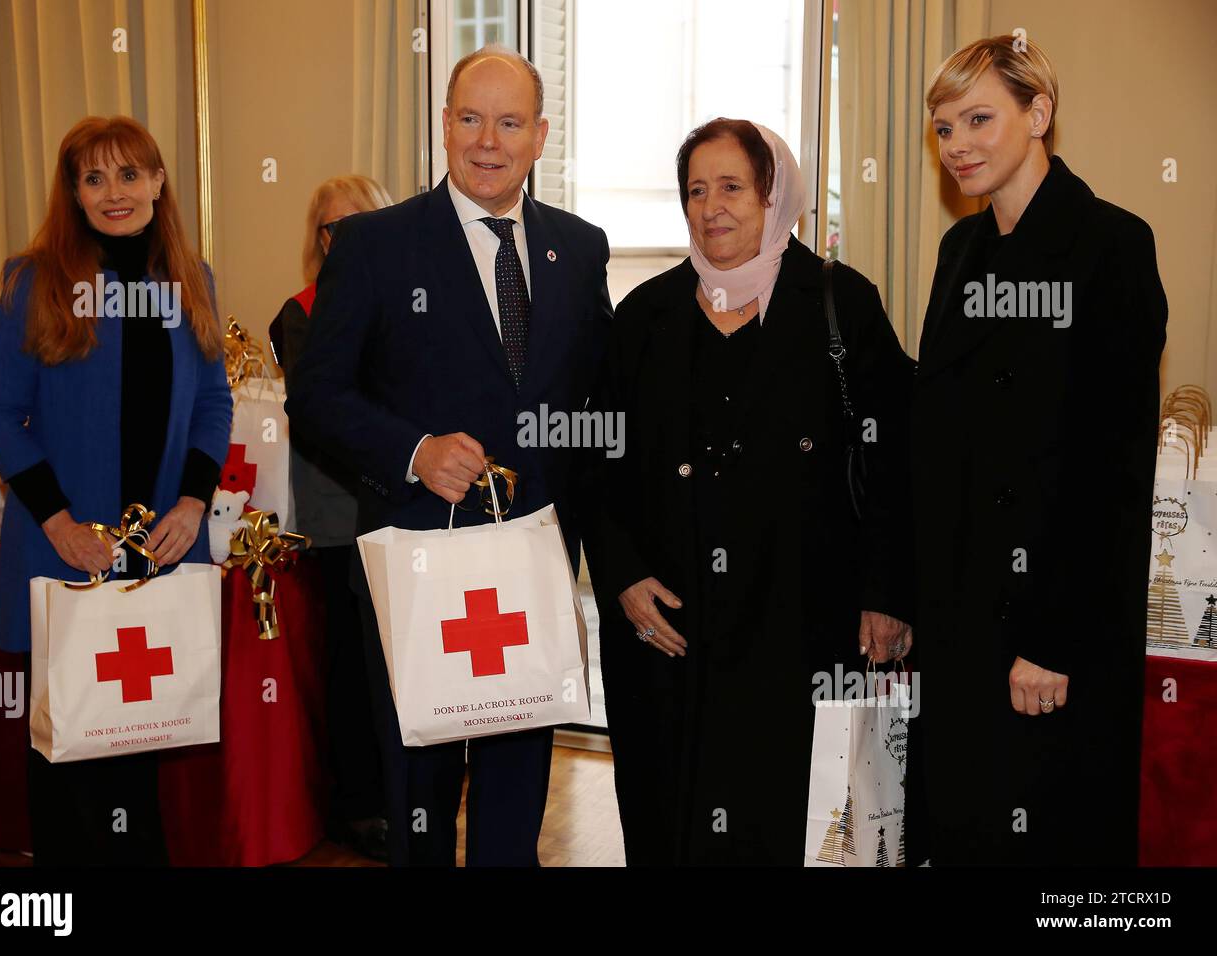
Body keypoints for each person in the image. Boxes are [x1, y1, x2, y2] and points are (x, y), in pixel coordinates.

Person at [285, 46, 612, 866]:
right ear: (444, 125)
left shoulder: (580, 250)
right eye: (470, 118)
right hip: (417, 563)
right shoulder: (372, 245)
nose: (488, 141)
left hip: (533, 564)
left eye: (509, 122)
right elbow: (315, 397)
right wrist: (413, 449)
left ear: (540, 136)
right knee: (419, 793)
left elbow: (597, 408)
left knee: (514, 792)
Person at [583, 118, 915, 864]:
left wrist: (888, 593)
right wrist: (623, 575)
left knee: (793, 811)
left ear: (774, 196)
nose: (711, 207)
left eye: (732, 186)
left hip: (803, 623)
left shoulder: (840, 303)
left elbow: (892, 458)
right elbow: (597, 463)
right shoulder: (645, 316)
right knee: (672, 816)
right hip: (670, 630)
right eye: (696, 190)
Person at [914, 36, 1167, 865]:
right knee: (964, 827)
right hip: (960, 617)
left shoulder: (1113, 246)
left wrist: (1053, 637)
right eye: (945, 127)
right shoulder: (961, 252)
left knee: (1049, 838)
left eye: (980, 118)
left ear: (1040, 114)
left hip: (1056, 624)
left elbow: (1113, 468)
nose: (958, 145)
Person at [0, 115, 233, 865]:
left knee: (139, 748)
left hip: (158, 554)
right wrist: (56, 523)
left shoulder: (191, 279)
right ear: (74, 192)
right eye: (94, 177)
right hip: (66, 557)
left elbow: (213, 402)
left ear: (158, 181)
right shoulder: (35, 280)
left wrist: (192, 502)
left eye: (129, 173)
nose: (113, 192)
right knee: (67, 759)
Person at [270, 174, 393, 860]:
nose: (341, 239)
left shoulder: (407, 300)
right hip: (340, 517)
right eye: (328, 227)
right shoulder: (302, 311)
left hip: (400, 514)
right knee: (350, 668)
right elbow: (324, 418)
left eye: (357, 224)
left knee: (401, 664)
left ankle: (404, 792)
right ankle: (358, 807)